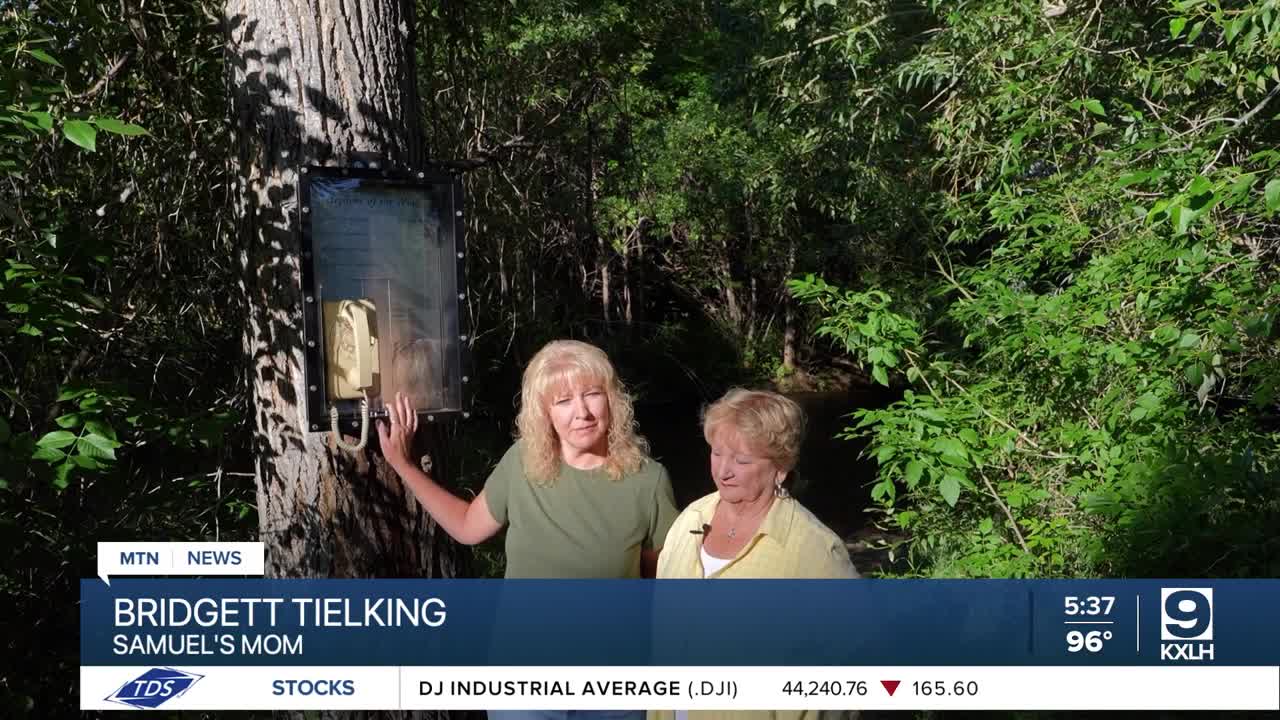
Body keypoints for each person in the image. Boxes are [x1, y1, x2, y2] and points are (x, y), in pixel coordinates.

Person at [379, 338, 680, 580]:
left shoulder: (647, 480)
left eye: (592, 394)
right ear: (545, 412)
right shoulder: (523, 460)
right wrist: (403, 465)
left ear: (612, 400)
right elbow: (467, 527)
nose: (582, 413)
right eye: (563, 401)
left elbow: (660, 587)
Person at [658, 387, 859, 580]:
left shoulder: (814, 548)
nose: (722, 472)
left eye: (741, 461)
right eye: (717, 453)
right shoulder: (691, 518)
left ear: (781, 468)